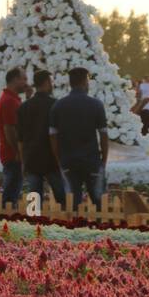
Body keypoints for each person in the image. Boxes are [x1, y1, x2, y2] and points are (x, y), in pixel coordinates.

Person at [50, 66, 109, 211]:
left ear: (70, 83)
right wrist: (104, 159)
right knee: (99, 202)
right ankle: (103, 230)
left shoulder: (58, 105)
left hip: (68, 160)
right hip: (91, 159)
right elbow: (103, 135)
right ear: (85, 82)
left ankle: (72, 229)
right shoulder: (96, 104)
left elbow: (52, 136)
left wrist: (58, 158)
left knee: (72, 203)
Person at [17, 69, 66, 208]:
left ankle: (34, 224)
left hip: (31, 158)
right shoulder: (55, 105)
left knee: (34, 200)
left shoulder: (24, 107)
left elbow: (20, 138)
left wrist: (23, 161)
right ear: (46, 82)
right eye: (51, 82)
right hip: (52, 158)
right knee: (62, 198)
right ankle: (68, 222)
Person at [0, 67, 26, 206]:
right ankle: (5, 221)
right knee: (10, 195)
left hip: (13, 153)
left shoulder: (12, 99)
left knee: (13, 190)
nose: (26, 83)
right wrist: (18, 151)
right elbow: (10, 130)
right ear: (15, 80)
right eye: (23, 79)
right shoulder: (9, 101)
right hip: (12, 154)